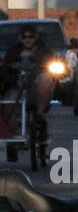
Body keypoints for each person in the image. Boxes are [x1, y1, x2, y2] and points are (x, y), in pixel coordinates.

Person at [0, 25, 58, 172]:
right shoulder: (13, 51)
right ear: (20, 38)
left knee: (46, 79)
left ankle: (39, 115)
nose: (27, 39)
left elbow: (50, 63)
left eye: (30, 36)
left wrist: (33, 58)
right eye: (24, 37)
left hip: (36, 86)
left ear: (36, 37)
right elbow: (5, 69)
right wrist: (14, 78)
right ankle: (12, 139)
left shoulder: (45, 50)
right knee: (9, 101)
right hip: (17, 86)